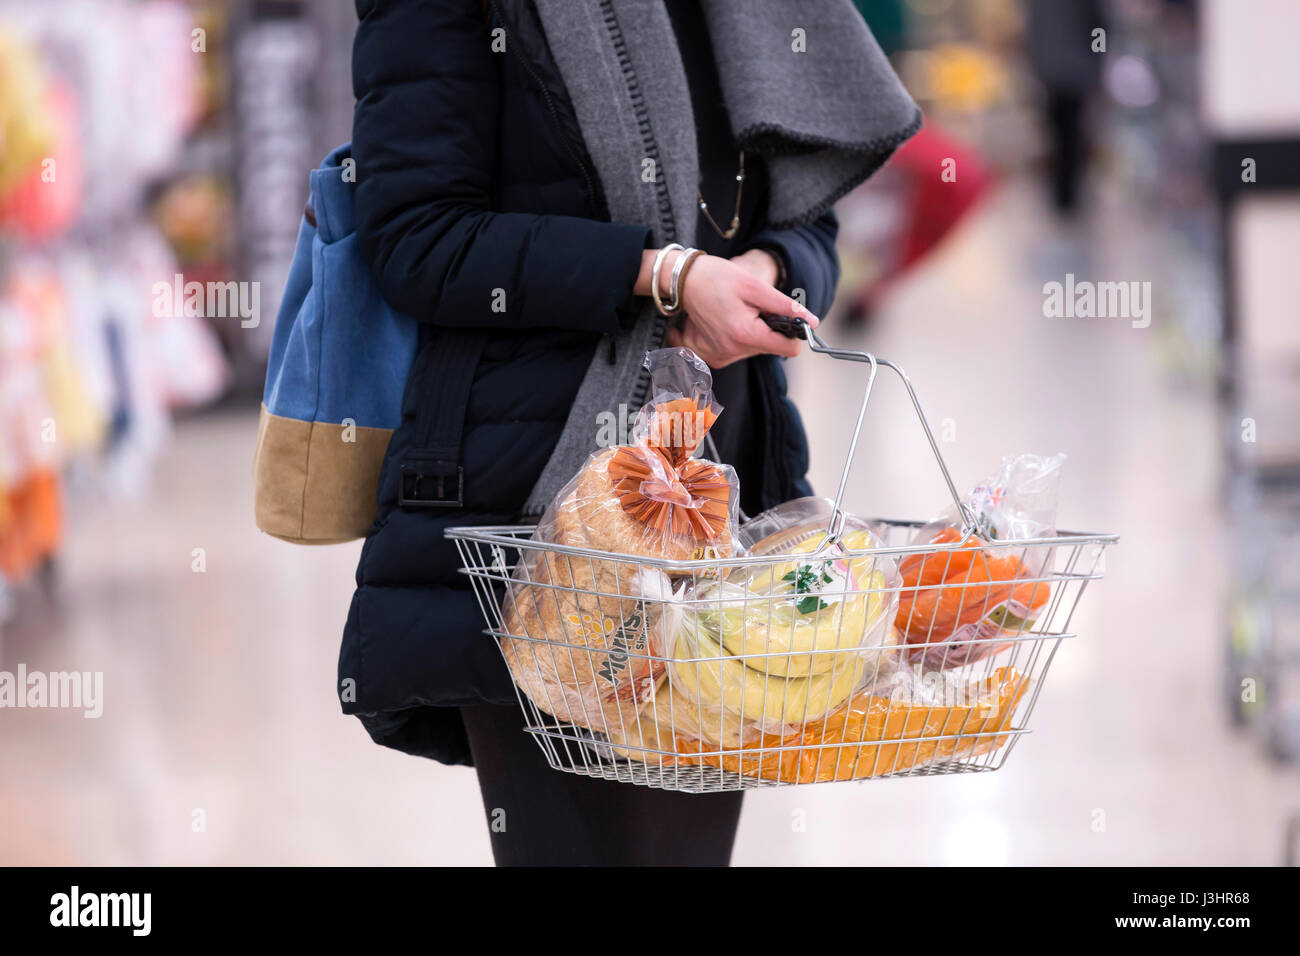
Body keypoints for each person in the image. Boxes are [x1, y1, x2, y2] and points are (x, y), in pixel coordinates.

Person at [340, 0, 918, 866]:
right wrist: (661, 276)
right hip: (541, 509)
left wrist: (765, 272)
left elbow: (804, 215)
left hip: (723, 506)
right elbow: (418, 238)